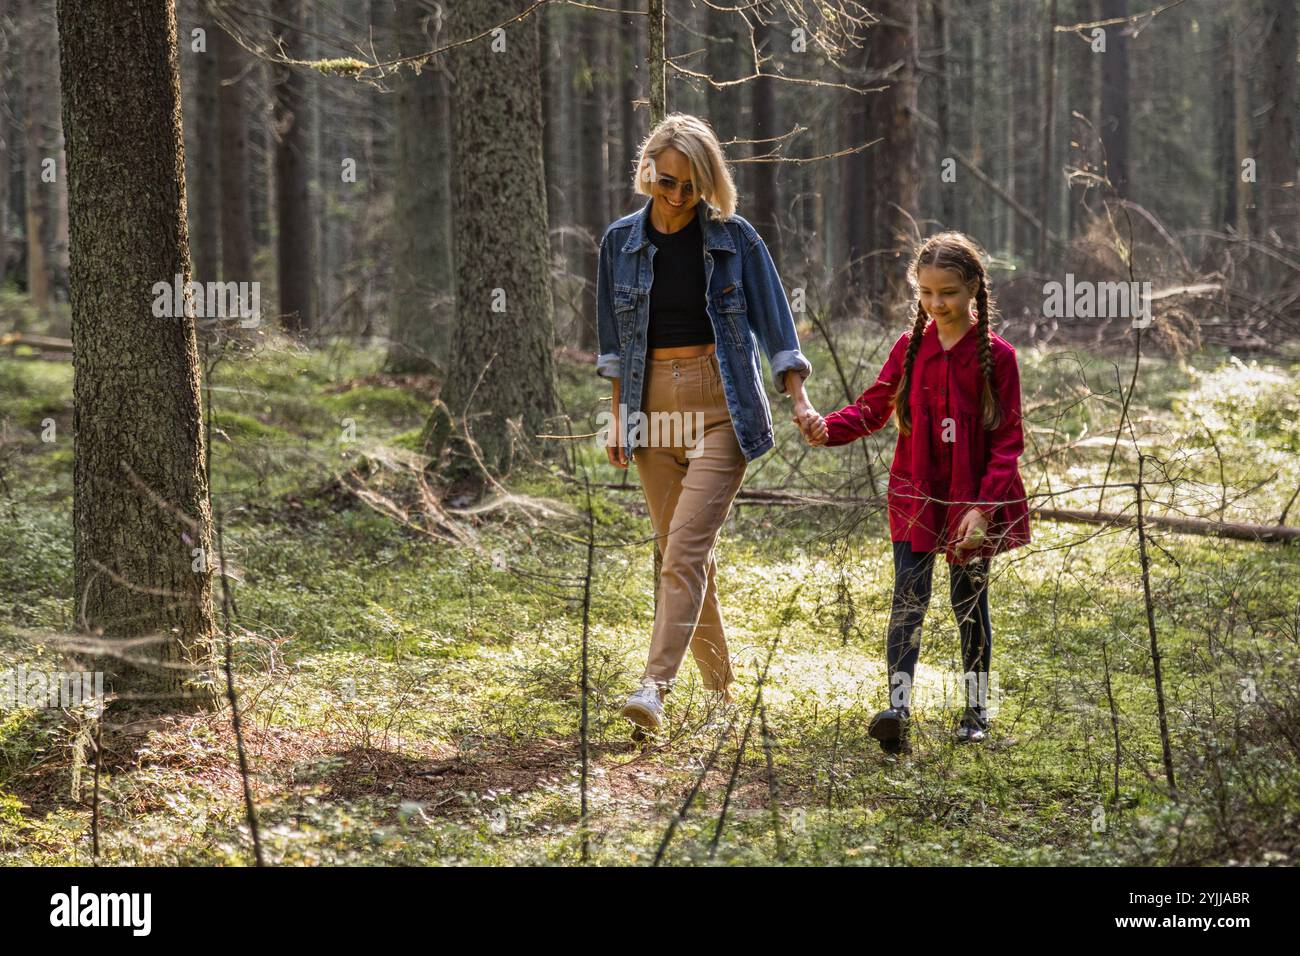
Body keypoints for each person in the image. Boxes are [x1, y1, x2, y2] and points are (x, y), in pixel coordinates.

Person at [594, 113, 821, 733]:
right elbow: (613, 345)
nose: (675, 196)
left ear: (707, 185)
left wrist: (798, 399)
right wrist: (618, 418)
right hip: (650, 410)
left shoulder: (734, 239)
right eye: (667, 181)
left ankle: (653, 687)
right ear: (648, 173)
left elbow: (778, 327)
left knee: (683, 553)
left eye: (690, 187)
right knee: (682, 556)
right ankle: (723, 696)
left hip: (722, 407)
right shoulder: (619, 242)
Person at [804, 232, 1031, 753]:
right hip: (915, 496)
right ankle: (898, 709)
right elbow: (874, 406)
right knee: (908, 601)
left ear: (974, 287)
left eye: (947, 292)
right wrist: (827, 427)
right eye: (926, 293)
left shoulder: (998, 357)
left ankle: (975, 711)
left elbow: (1007, 442)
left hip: (971, 502)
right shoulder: (911, 349)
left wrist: (982, 509)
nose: (936, 304)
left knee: (969, 605)